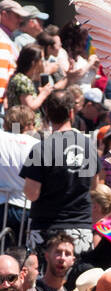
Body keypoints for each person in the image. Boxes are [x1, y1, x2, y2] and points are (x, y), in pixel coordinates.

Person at [20, 89, 97, 255]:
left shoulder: (41, 148)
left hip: (46, 228)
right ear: (71, 113)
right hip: (80, 228)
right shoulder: (89, 146)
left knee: (40, 278)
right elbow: (94, 188)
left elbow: (31, 194)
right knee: (79, 279)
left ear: (47, 114)